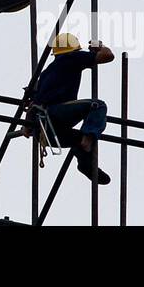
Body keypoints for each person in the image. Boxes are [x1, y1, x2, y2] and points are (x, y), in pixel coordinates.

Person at [29, 33, 114, 184]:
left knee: (80, 141)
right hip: (54, 116)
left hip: (44, 133)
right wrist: (99, 47)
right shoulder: (71, 58)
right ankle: (87, 141)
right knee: (98, 106)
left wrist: (26, 127)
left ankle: (86, 165)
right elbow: (107, 56)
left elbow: (33, 105)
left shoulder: (46, 73)